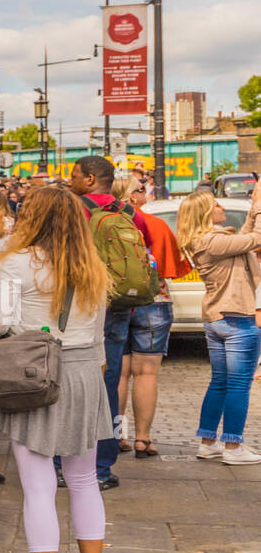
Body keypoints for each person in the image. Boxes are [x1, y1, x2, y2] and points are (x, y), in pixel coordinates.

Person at [0, 186, 116, 553]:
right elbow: (98, 332)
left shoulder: (15, 264)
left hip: (35, 371)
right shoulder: (93, 265)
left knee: (38, 485)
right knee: (83, 481)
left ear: (31, 219)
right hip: (83, 372)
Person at [68, 154, 154, 490]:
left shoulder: (76, 211)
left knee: (74, 385)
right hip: (119, 307)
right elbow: (149, 252)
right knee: (109, 383)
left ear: (90, 179)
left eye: (74, 175)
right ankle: (102, 467)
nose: (70, 181)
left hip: (83, 307)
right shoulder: (129, 212)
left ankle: (69, 463)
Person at [177, 181, 261, 464]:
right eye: (216, 204)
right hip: (237, 319)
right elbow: (257, 238)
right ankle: (234, 447)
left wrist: (252, 208)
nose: (222, 206)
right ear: (205, 214)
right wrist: (259, 203)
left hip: (218, 319)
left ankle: (208, 441)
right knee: (238, 385)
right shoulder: (213, 241)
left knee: (220, 383)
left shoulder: (209, 241)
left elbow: (247, 236)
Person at [111, 176, 187, 457]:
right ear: (131, 196)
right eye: (141, 190)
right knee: (147, 373)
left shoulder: (105, 226)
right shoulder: (155, 225)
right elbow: (171, 268)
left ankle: (116, 435)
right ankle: (143, 439)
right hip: (153, 302)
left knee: (118, 372)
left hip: (116, 302)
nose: (146, 193)